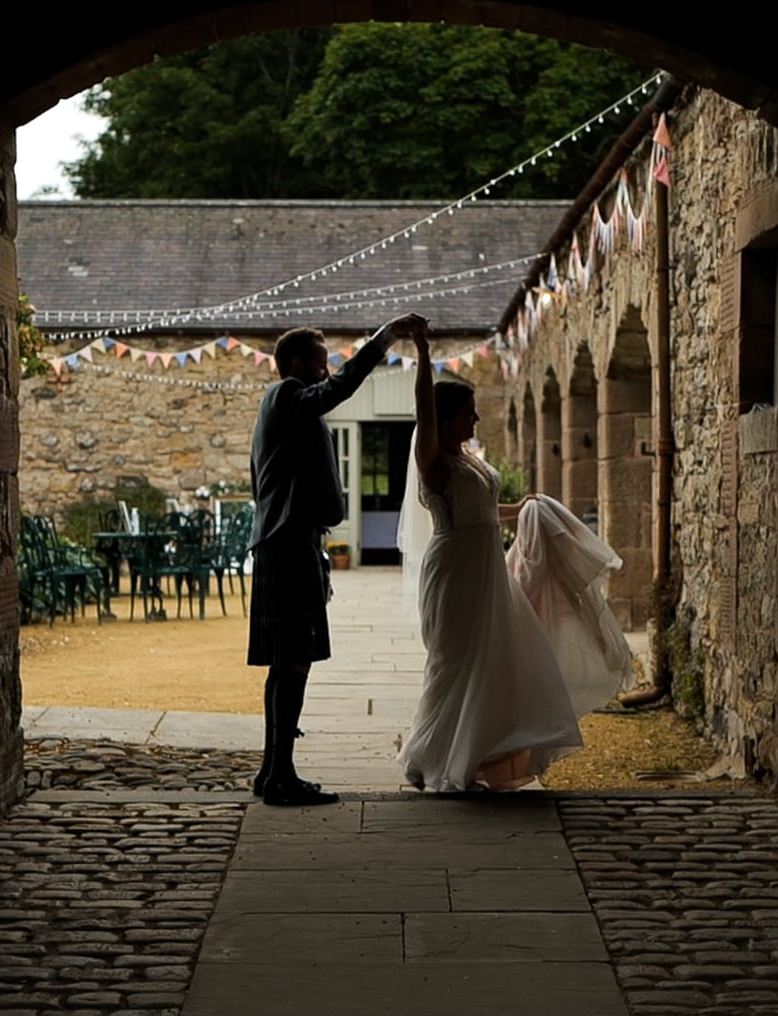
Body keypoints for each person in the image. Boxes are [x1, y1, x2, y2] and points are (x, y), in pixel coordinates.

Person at [396, 325, 634, 791]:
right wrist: (424, 353)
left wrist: (520, 508)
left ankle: (479, 751)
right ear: (444, 419)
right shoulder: (434, 460)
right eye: (468, 414)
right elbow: (424, 410)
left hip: (487, 570)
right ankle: (424, 756)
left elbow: (484, 513)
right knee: (453, 662)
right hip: (454, 572)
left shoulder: (468, 460)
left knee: (492, 664)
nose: (476, 421)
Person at [248, 313, 429, 806]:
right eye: (321, 363)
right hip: (288, 543)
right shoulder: (288, 396)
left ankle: (272, 771)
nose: (327, 371)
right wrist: (386, 336)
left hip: (287, 540)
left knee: (286, 663)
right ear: (296, 364)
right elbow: (341, 388)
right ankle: (281, 776)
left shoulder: (282, 408)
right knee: (295, 661)